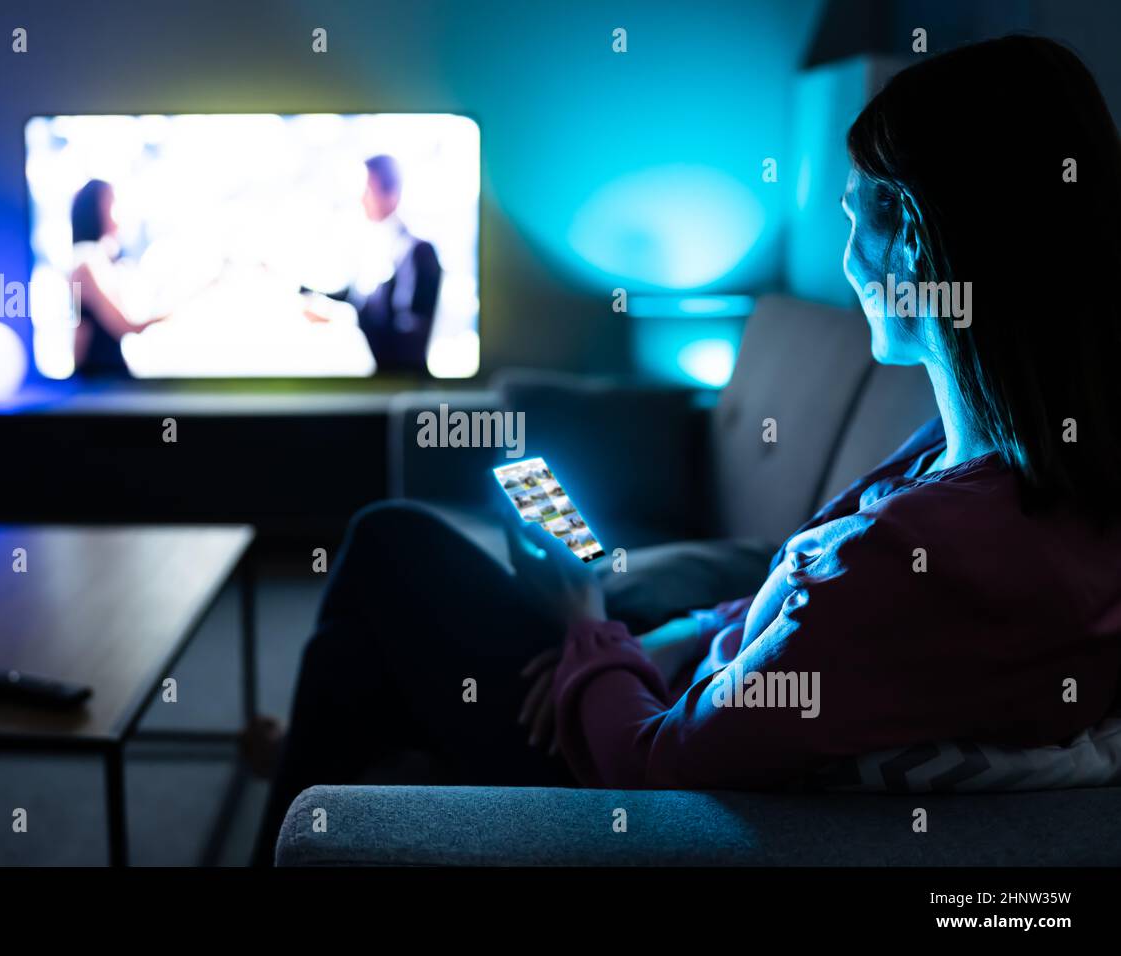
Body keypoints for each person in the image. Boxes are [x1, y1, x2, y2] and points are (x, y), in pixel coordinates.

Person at [252, 35, 1121, 863]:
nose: (850, 260)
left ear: (922, 240)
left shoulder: (924, 555)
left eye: (859, 219)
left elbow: (653, 767)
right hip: (670, 671)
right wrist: (673, 633)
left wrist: (588, 626)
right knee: (366, 633)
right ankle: (331, 780)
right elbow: (817, 631)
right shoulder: (1023, 465)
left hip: (612, 773)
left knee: (387, 547)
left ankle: (315, 819)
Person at [303, 155, 442, 373]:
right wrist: (308, 291)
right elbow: (358, 299)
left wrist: (340, 320)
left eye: (368, 190)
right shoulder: (373, 244)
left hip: (402, 384)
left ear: (392, 195)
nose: (361, 199)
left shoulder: (417, 252)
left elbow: (409, 334)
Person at [67, 179, 169, 376]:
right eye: (112, 203)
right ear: (95, 211)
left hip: (105, 377)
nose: (119, 215)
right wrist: (173, 309)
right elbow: (126, 325)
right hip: (99, 381)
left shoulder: (101, 259)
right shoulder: (87, 262)